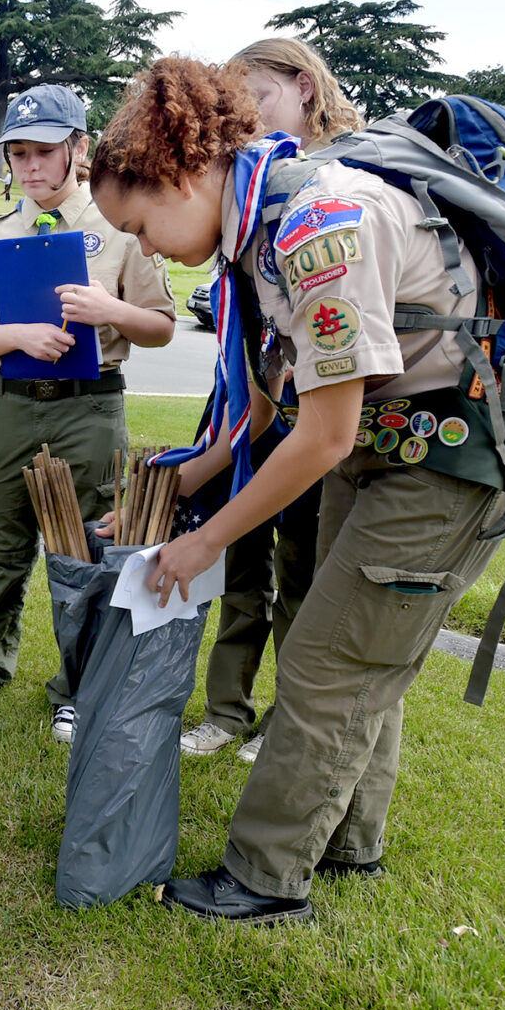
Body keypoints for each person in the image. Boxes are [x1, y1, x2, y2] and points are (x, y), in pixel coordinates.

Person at [90, 57, 505, 923]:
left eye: (139, 225)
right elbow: (269, 400)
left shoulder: (316, 225)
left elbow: (322, 433)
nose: (142, 248)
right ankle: (347, 844)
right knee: (356, 658)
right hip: (384, 454)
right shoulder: (257, 236)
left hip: (442, 462)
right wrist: (186, 478)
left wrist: (207, 538)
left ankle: (265, 877)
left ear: (181, 174)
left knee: (327, 664)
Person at [0, 84, 176, 742]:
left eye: (44, 151)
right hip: (14, 403)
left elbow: (161, 325)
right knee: (0, 539)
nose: (30, 166)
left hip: (89, 405)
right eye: (17, 153)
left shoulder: (119, 230)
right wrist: (16, 336)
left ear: (79, 147)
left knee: (85, 549)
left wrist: (112, 312)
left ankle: (77, 685)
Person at [179, 38, 364, 765]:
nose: (249, 117)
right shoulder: (250, 193)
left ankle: (286, 720)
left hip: (318, 415)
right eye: (239, 104)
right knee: (239, 562)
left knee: (304, 576)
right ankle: (226, 710)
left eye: (260, 94)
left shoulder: (338, 183)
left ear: (306, 87)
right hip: (252, 405)